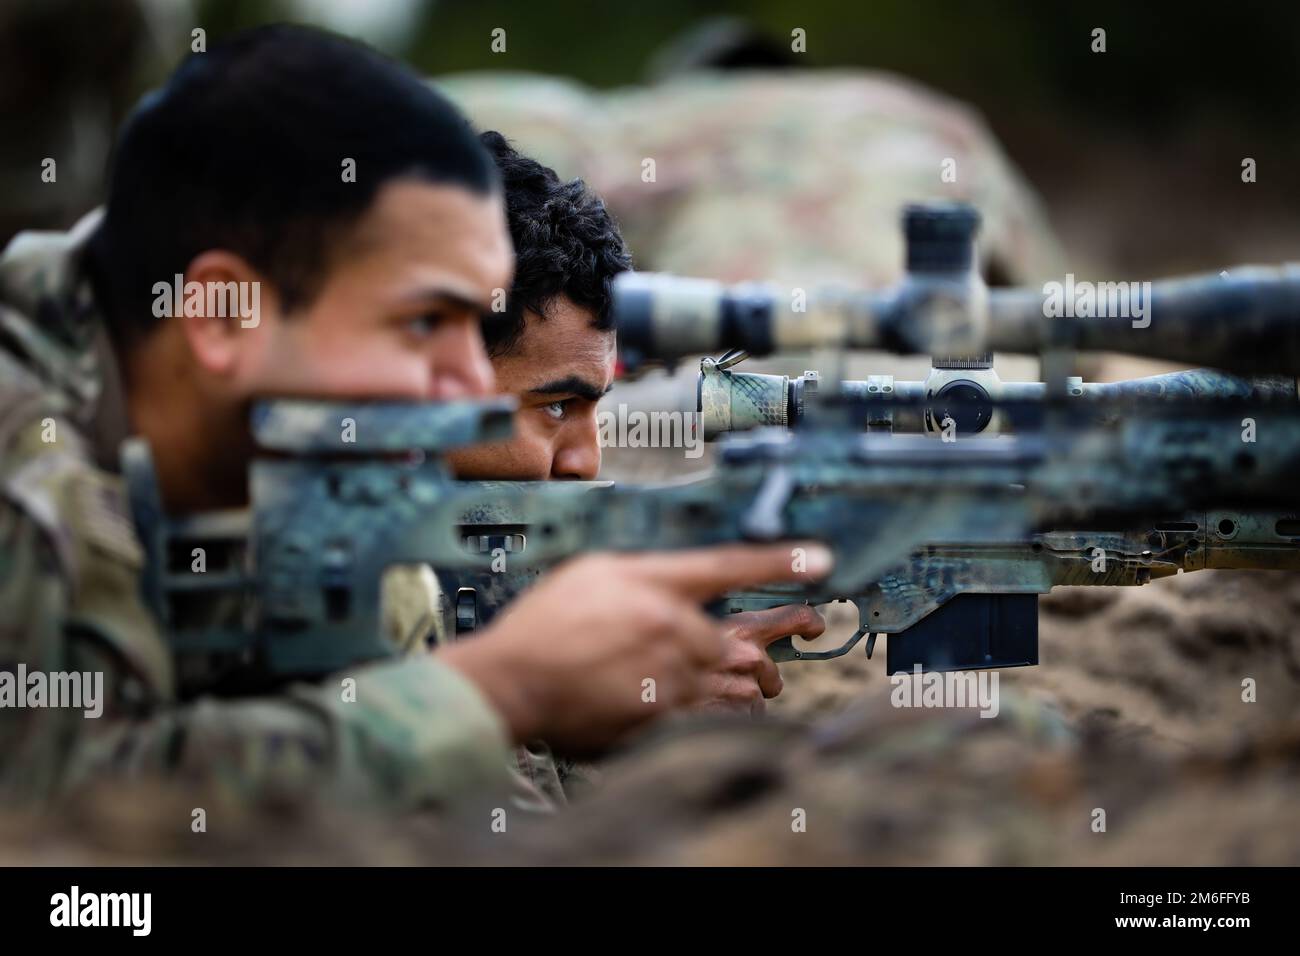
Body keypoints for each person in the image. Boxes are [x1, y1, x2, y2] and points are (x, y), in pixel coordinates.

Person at [0, 24, 830, 813]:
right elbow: (69, 811)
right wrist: (502, 690)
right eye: (425, 321)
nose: (467, 385)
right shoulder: (30, 477)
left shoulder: (317, 484)